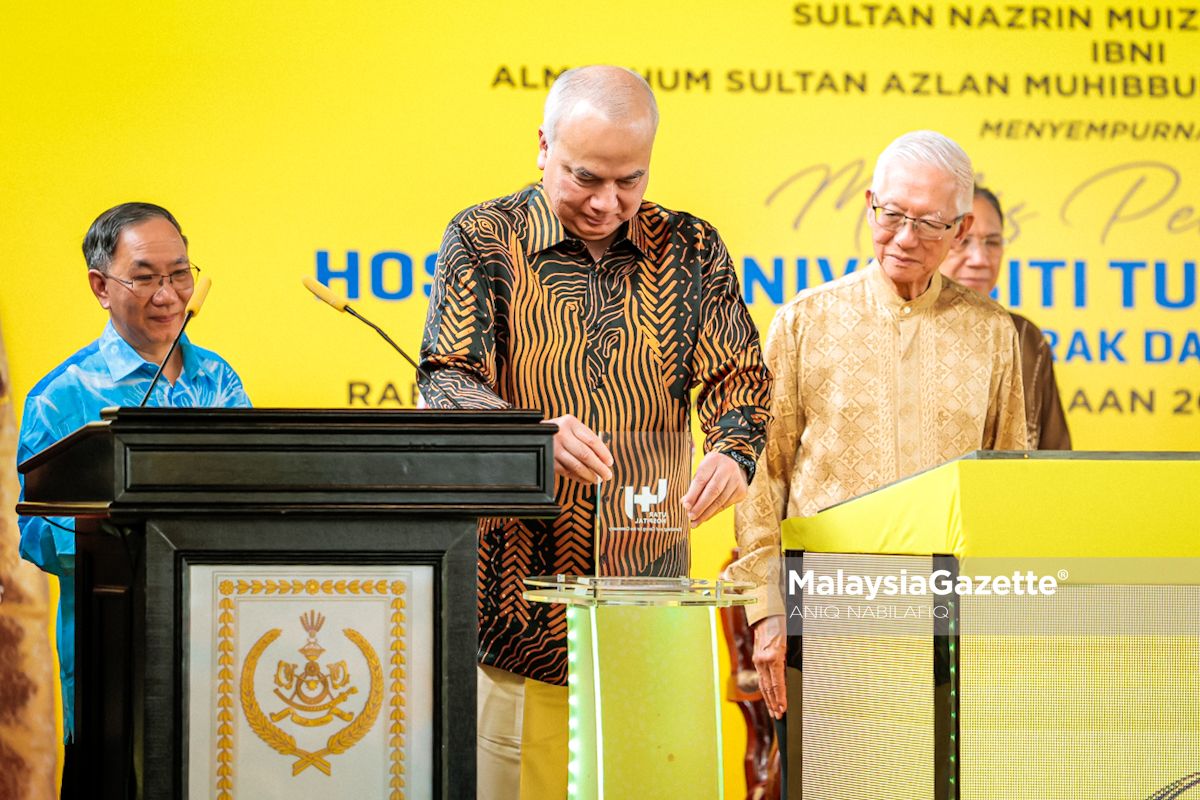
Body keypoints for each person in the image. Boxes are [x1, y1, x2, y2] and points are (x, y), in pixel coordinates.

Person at [418, 65, 772, 799]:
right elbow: (447, 379)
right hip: (511, 613)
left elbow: (739, 377)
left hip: (647, 602)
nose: (608, 203)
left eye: (630, 181)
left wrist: (735, 450)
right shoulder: (484, 240)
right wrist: (529, 435)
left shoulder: (691, 248)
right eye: (585, 178)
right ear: (543, 146)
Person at [731, 131, 1028, 722]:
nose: (904, 238)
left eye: (929, 224)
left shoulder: (993, 333)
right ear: (870, 201)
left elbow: (1008, 478)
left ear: (962, 230)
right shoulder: (803, 322)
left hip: (949, 617)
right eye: (890, 215)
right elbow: (762, 478)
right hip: (827, 612)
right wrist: (767, 609)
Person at [16, 202, 250, 794]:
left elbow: (251, 493)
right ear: (101, 285)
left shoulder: (218, 379)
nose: (168, 295)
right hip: (113, 663)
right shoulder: (60, 396)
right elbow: (39, 538)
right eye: (145, 277)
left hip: (222, 654)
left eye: (181, 274)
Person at [939, 186, 1072, 449]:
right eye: (963, 241)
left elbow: (1055, 462)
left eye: (992, 242)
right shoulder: (905, 330)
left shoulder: (1024, 339)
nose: (980, 259)